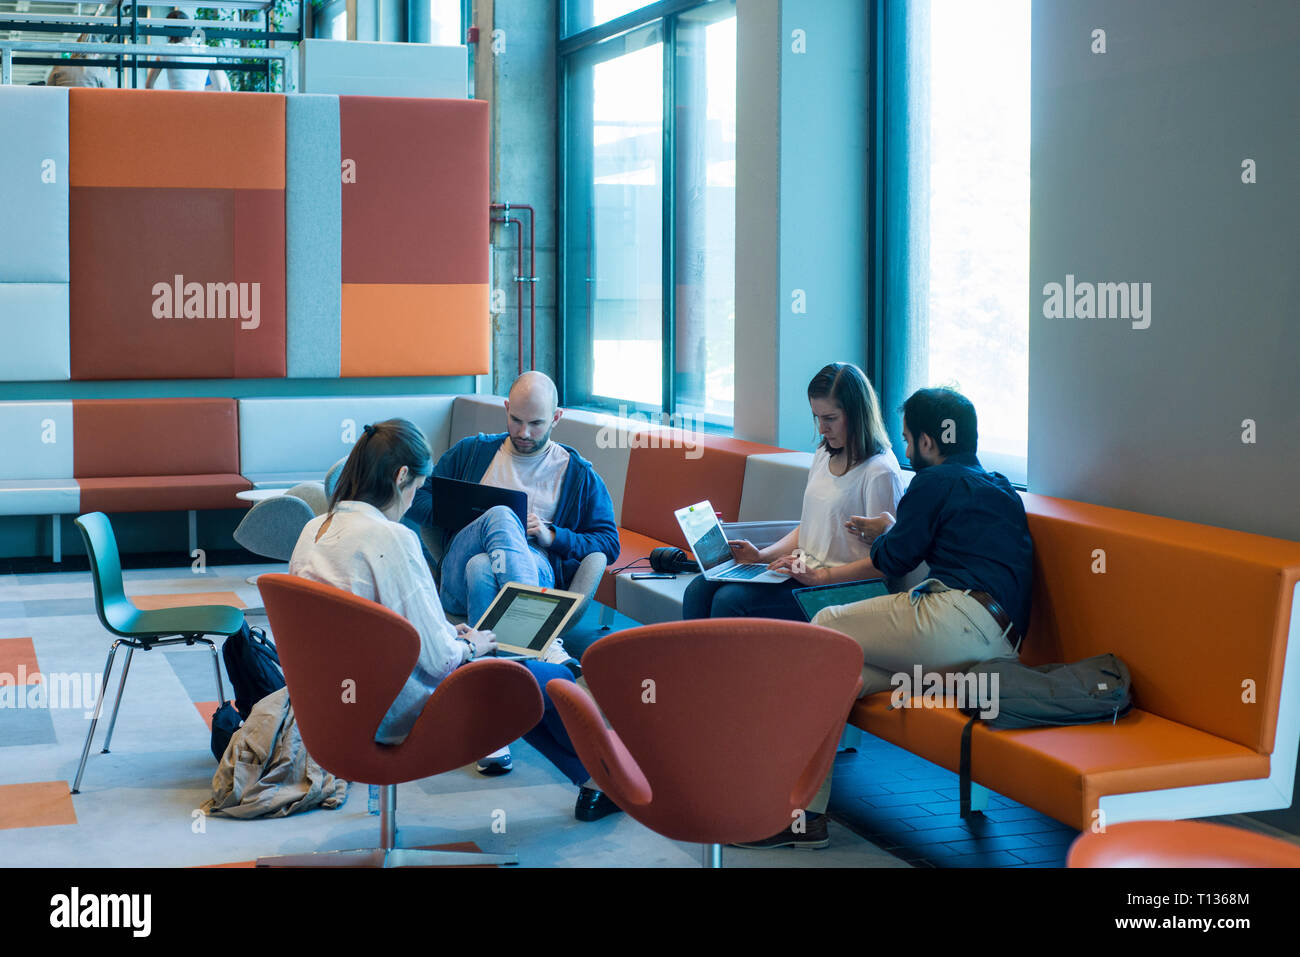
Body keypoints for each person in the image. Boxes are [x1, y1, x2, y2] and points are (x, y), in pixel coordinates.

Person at [736, 387, 1034, 851]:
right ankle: (805, 816)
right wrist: (893, 531)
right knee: (841, 674)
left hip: (954, 618)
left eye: (910, 440)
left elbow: (894, 560)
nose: (908, 449)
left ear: (929, 444)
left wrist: (882, 535)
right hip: (998, 643)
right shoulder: (999, 487)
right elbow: (939, 544)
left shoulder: (931, 483)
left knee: (827, 624)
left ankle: (754, 781)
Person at [288, 419, 608, 821]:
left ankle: (597, 778)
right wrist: (472, 645)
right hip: (390, 712)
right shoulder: (391, 538)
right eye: (418, 489)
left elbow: (374, 624)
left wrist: (448, 633)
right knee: (536, 678)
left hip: (329, 708)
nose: (412, 502)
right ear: (402, 476)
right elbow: (439, 661)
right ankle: (608, 772)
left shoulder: (314, 529)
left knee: (513, 669)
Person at [405, 371, 621, 802]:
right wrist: (479, 517)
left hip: (522, 571)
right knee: (500, 519)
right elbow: (419, 500)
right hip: (457, 577)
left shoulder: (577, 473)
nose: (524, 433)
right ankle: (538, 640)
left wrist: (552, 535)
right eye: (517, 420)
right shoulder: (472, 453)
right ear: (506, 409)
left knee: (486, 569)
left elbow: (606, 542)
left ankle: (491, 728)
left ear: (556, 417)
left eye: (536, 423)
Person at [682, 361, 909, 626]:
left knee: (730, 601)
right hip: (804, 572)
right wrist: (762, 556)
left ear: (857, 414)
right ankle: (698, 668)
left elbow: (883, 565)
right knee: (699, 589)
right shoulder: (825, 453)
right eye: (817, 417)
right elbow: (809, 528)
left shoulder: (879, 471)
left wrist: (821, 577)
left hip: (841, 587)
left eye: (830, 419)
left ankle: (723, 668)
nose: (822, 428)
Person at [146, 10, 232, 92]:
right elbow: (220, 87)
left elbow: (149, 85)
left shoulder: (167, 50)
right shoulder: (205, 50)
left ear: (168, 31)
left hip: (175, 103)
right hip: (198, 103)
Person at [46, 36, 113, 88]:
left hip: (63, 105)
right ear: (95, 52)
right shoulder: (99, 69)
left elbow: (49, 89)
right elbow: (110, 94)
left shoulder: (59, 67)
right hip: (91, 104)